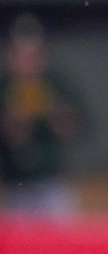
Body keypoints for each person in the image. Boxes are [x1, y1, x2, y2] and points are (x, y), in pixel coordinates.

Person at [0, 13, 87, 214]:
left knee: (61, 224)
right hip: (15, 185)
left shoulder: (56, 83)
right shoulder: (4, 86)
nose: (27, 62)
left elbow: (81, 127)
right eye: (20, 55)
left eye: (33, 55)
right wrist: (11, 125)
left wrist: (57, 114)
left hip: (51, 181)